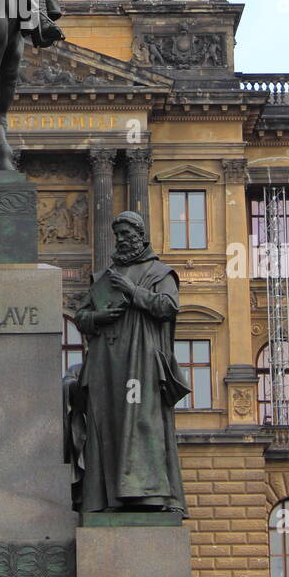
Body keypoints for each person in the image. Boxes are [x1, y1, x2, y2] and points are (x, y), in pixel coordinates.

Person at [67, 210, 189, 513]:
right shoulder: (104, 278)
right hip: (106, 365)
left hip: (142, 362)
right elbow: (81, 317)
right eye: (117, 234)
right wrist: (98, 317)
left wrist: (134, 293)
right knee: (106, 425)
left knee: (142, 423)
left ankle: (147, 495)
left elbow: (168, 307)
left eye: (126, 234)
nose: (121, 240)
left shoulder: (160, 273)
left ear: (140, 236)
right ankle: (105, 498)